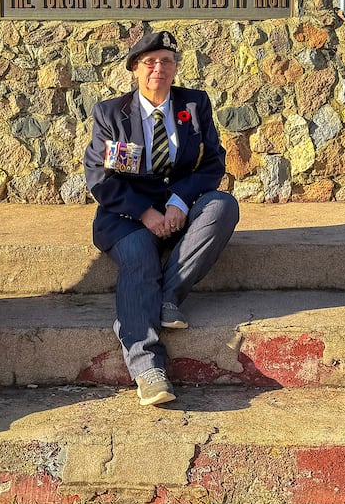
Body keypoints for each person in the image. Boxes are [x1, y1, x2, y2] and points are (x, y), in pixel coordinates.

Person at [84, 30, 239, 406]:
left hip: (178, 210)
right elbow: (99, 176)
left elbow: (213, 162)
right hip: (127, 215)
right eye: (150, 62)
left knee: (223, 206)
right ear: (135, 69)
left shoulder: (194, 104)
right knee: (138, 254)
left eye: (167, 61)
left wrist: (179, 202)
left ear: (176, 68)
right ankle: (148, 368)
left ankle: (168, 296)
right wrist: (145, 212)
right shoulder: (111, 114)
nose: (159, 69)